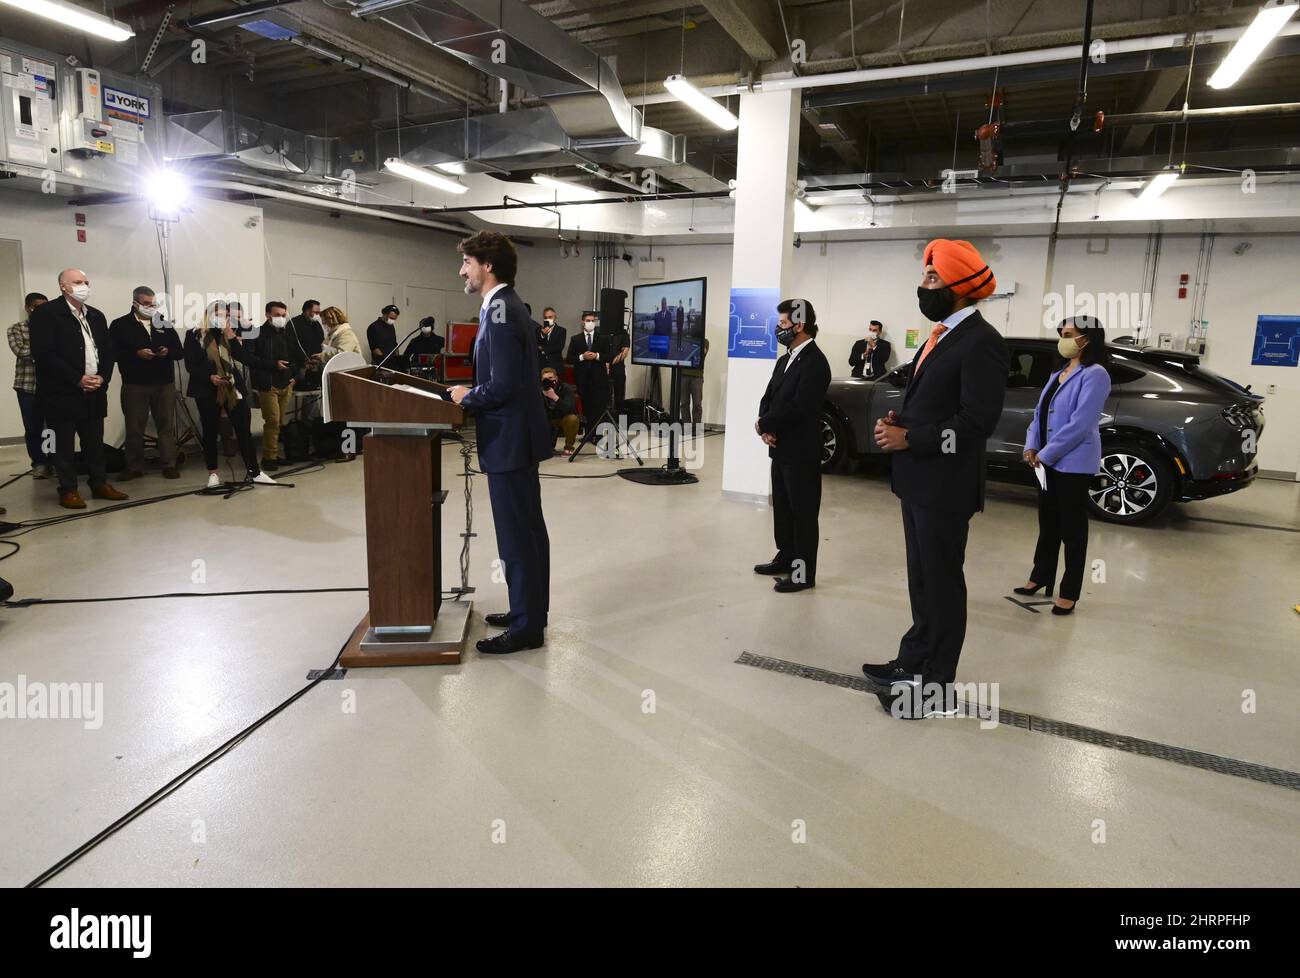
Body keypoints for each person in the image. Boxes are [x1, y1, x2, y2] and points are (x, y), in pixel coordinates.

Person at [862, 239, 1010, 720]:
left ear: (961, 287)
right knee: (921, 580)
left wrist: (913, 439)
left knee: (943, 583)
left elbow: (975, 423)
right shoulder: (943, 335)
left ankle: (936, 681)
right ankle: (913, 658)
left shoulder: (982, 341)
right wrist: (899, 421)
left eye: (931, 278)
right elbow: (935, 402)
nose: (923, 286)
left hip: (945, 484)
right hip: (919, 481)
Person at [449, 230, 551, 655]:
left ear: (487, 265)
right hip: (514, 438)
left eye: (468, 263)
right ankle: (526, 611)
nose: (462, 271)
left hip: (510, 440)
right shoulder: (505, 308)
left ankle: (527, 628)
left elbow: (504, 385)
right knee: (524, 533)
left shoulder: (502, 312)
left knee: (518, 536)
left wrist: (465, 396)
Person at [1017, 316, 1111, 616]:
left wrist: (1046, 453)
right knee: (1048, 524)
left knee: (1072, 529)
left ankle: (1069, 591)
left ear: (1087, 339)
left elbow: (1081, 424)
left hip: (1072, 462)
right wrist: (1031, 445)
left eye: (1069, 333)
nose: (1063, 338)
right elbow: (1039, 413)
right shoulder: (1059, 370)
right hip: (1046, 461)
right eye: (1062, 332)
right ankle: (1040, 576)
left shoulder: (1095, 374)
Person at [28, 269, 129, 509]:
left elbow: (106, 351)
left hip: (94, 391)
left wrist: (102, 378)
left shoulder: (96, 315)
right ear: (63, 286)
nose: (84, 285)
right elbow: (44, 354)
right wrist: (77, 379)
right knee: (62, 444)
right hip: (62, 392)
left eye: (86, 282)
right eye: (77, 282)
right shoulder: (47, 314)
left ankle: (99, 483)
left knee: (94, 443)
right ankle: (68, 489)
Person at [753, 299, 832, 594]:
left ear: (799, 325)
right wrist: (765, 423)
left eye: (783, 324)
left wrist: (767, 424)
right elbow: (769, 396)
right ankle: (786, 557)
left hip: (801, 451)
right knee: (784, 509)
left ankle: (802, 573)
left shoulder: (815, 362)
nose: (779, 329)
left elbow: (800, 407)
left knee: (803, 514)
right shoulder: (786, 359)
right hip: (781, 448)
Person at [185, 301, 277, 490]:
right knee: (210, 432)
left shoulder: (229, 333)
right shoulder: (195, 335)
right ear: (208, 314)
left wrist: (232, 337)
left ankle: (255, 472)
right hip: (207, 389)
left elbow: (244, 357)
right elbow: (191, 365)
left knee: (243, 430)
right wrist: (210, 376)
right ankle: (213, 474)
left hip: (232, 388)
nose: (222, 319)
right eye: (217, 314)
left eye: (225, 315)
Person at [109, 285, 183, 480]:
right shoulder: (120, 325)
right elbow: (112, 353)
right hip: (135, 384)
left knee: (166, 425)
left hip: (163, 383)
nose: (151, 307)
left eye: (154, 304)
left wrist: (168, 352)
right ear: (135, 303)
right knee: (134, 427)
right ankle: (134, 467)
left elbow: (179, 350)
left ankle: (169, 464)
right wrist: (136, 354)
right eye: (146, 304)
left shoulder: (163, 323)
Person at [247, 300, 296, 472]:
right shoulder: (256, 333)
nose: (281, 318)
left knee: (280, 421)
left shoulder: (287, 333)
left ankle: (275, 455)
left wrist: (293, 376)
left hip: (286, 383)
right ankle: (268, 457)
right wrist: (273, 365)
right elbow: (250, 359)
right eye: (277, 315)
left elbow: (293, 356)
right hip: (267, 384)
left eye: (283, 315)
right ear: (268, 315)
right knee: (273, 421)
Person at [9, 292, 52, 480]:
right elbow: (20, 350)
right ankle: (39, 463)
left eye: (45, 305)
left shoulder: (55, 328)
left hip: (52, 386)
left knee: (53, 428)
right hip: (27, 387)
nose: (41, 309)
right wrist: (46, 348)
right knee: (33, 427)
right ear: (28, 307)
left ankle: (53, 461)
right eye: (37, 306)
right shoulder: (17, 328)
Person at [566, 310, 608, 432]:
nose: (590, 323)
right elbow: (570, 358)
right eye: (588, 321)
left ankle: (598, 433)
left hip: (599, 379)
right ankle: (588, 432)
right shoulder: (575, 339)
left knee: (598, 406)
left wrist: (597, 356)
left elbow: (608, 356)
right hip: (583, 379)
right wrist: (582, 357)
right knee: (586, 406)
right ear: (583, 322)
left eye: (592, 321)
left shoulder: (602, 338)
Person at [541, 366, 579, 456]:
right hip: (547, 420)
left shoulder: (565, 388)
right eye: (545, 379)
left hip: (563, 419)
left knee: (572, 419)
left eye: (551, 378)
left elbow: (570, 408)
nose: (549, 381)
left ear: (556, 378)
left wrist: (555, 397)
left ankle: (569, 448)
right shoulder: (539, 390)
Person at [289, 299, 325, 390]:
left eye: (319, 313)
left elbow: (321, 342)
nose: (318, 315)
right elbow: (289, 345)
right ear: (307, 311)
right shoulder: (294, 323)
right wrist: (303, 359)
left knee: (314, 395)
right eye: (316, 312)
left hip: (315, 364)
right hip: (299, 365)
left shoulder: (317, 325)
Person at [679, 337, 709, 425]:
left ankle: (697, 429)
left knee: (697, 404)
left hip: (697, 377)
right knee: (684, 404)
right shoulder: (686, 339)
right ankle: (687, 428)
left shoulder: (705, 341)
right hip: (683, 375)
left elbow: (702, 351)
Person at [367, 304, 405, 369]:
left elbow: (394, 344)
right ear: (385, 314)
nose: (393, 320)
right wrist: (385, 361)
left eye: (395, 319)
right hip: (380, 363)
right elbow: (374, 348)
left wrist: (397, 359)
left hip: (392, 363)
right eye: (391, 318)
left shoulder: (391, 326)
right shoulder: (373, 327)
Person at [607, 318, 631, 417]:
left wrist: (610, 363)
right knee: (605, 397)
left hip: (618, 369)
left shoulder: (624, 333)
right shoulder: (603, 333)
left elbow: (624, 352)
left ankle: (620, 423)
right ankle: (605, 421)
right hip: (604, 369)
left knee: (619, 397)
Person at [538, 306, 566, 374]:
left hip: (555, 366)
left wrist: (543, 349)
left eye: (550, 317)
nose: (547, 319)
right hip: (541, 366)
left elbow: (559, 347)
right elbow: (536, 344)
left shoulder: (561, 330)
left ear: (555, 317)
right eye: (545, 317)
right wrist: (542, 335)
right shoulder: (538, 330)